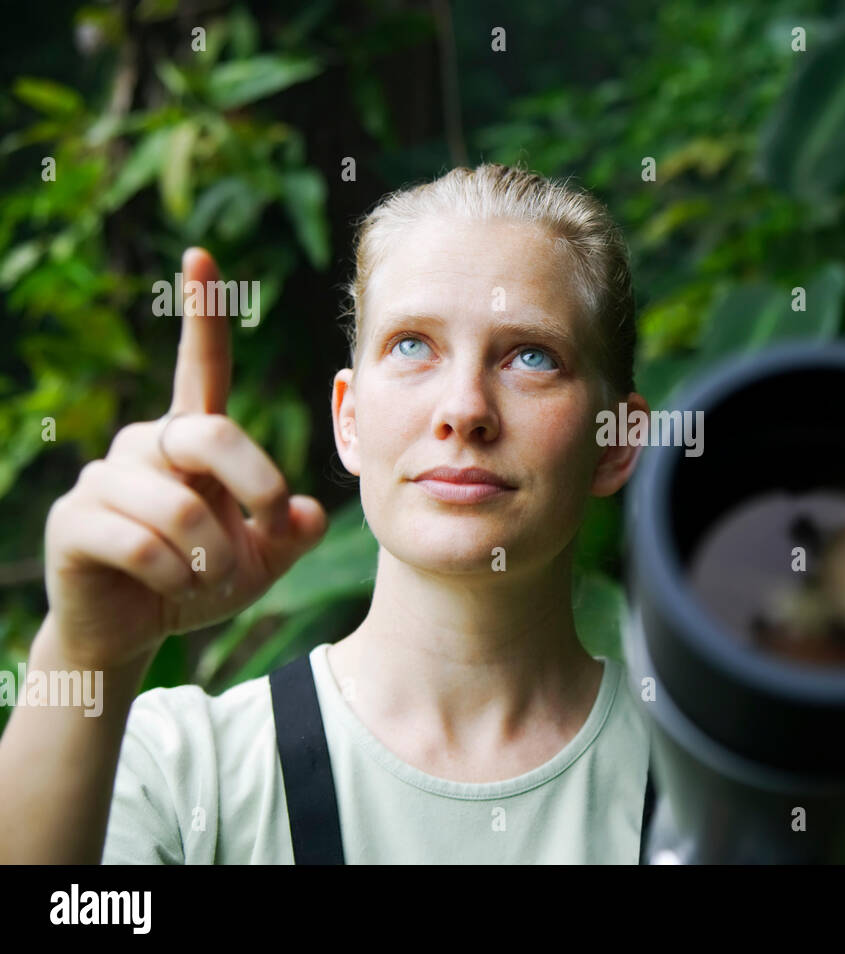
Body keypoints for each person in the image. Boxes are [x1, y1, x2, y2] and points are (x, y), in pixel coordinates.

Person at [0, 162, 655, 863]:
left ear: (615, 445)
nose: (464, 408)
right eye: (412, 346)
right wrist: (85, 654)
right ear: (349, 421)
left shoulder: (714, 778)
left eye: (531, 357)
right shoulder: (180, 773)